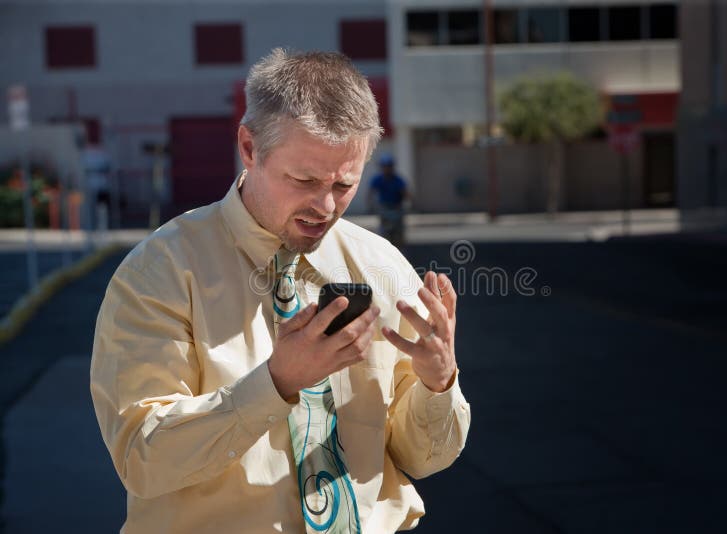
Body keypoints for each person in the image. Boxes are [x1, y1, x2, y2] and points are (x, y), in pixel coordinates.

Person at [90, 49, 470, 534]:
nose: (326, 205)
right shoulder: (158, 272)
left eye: (345, 183)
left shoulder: (384, 267)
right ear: (249, 147)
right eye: (304, 179)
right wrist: (275, 383)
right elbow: (143, 458)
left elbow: (423, 459)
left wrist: (438, 383)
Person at [368, 154, 408, 246]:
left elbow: (405, 192)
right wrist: (370, 205)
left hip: (396, 207)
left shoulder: (398, 180)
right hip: (384, 208)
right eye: (384, 166)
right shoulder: (378, 179)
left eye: (389, 166)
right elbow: (370, 192)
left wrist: (411, 203)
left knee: (398, 233)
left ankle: (400, 250)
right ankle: (385, 248)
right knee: (384, 232)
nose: (386, 169)